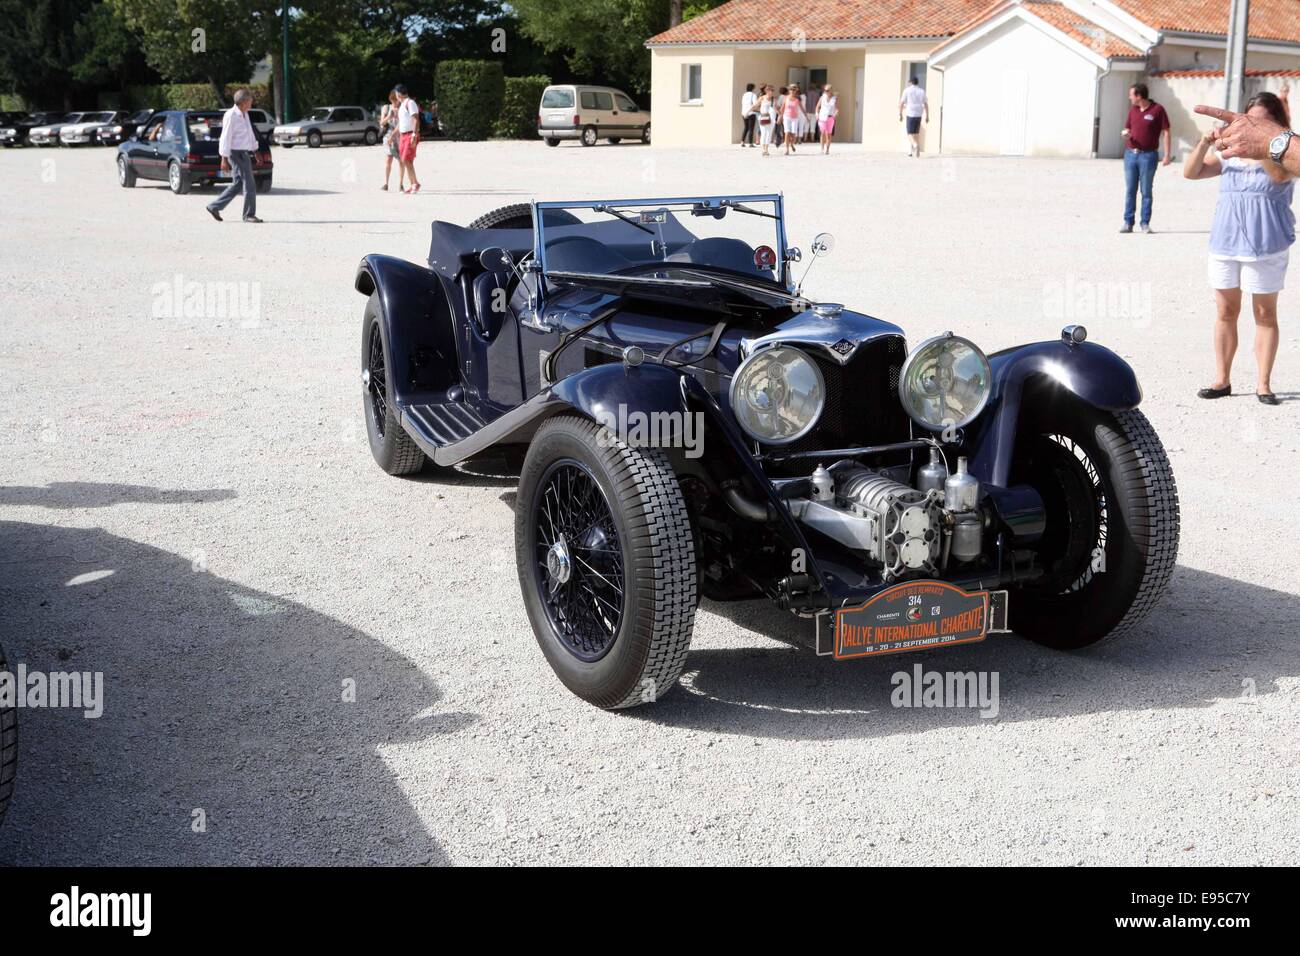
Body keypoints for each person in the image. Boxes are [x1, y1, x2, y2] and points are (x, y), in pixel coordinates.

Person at [1183, 91, 1294, 406]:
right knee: (1225, 311)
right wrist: (1205, 142)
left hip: (1266, 245)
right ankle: (1222, 379)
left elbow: (1277, 174)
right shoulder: (1228, 153)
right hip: (1225, 242)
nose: (1254, 125)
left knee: (1265, 314)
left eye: (1262, 120)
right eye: (1250, 119)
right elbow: (1191, 172)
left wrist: (1263, 142)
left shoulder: (1283, 156)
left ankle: (1263, 384)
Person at [1197, 87, 1298, 175]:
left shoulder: (1282, 158)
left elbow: (1281, 176)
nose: (1253, 129)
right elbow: (1192, 173)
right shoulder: (1233, 152)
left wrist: (1271, 144)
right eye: (1250, 121)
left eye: (1261, 122)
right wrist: (1203, 144)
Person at [1120, 82, 1171, 233]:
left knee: (1146, 190)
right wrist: (1125, 133)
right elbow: (1127, 128)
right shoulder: (1133, 111)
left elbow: (1166, 132)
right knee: (1130, 190)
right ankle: (1128, 223)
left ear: (1139, 96)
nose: (1129, 97)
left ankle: (1145, 223)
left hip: (1148, 156)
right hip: (1130, 154)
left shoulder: (1158, 110)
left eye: (1131, 95)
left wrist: (1167, 155)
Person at [206, 89, 262, 224]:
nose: (251, 103)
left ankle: (214, 206)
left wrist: (255, 150)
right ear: (243, 102)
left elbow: (249, 133)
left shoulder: (245, 114)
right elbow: (225, 137)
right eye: (250, 100)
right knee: (249, 183)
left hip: (244, 152)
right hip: (236, 153)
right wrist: (224, 158)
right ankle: (249, 214)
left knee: (238, 184)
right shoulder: (231, 115)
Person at [393, 84, 421, 195]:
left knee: (406, 160)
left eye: (396, 92)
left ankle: (415, 184)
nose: (395, 95)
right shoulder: (402, 104)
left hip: (410, 135)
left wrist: (414, 134)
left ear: (399, 93)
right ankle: (413, 184)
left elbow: (416, 119)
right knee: (406, 160)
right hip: (403, 136)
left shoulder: (410, 103)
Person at [379, 90, 404, 192]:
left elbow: (402, 124)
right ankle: (386, 183)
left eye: (396, 101)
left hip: (399, 136)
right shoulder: (386, 107)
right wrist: (389, 116)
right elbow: (382, 123)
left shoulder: (403, 108)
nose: (394, 103)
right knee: (388, 160)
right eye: (392, 101)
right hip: (388, 136)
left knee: (401, 161)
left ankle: (401, 184)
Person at [900, 76, 928, 157]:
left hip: (910, 114)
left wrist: (900, 113)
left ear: (911, 82)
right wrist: (927, 116)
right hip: (919, 114)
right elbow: (926, 104)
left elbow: (901, 103)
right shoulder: (922, 91)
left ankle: (915, 146)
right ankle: (913, 152)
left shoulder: (907, 90)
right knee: (915, 133)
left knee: (909, 134)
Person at [782, 83, 805, 155]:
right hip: (786, 117)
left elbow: (802, 108)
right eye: (791, 89)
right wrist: (779, 116)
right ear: (789, 90)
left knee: (793, 133)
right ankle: (786, 149)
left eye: (794, 90)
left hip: (794, 118)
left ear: (796, 91)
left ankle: (791, 144)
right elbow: (782, 108)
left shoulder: (797, 99)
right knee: (787, 132)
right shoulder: (786, 98)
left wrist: (806, 116)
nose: (792, 91)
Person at [816, 84, 838, 154]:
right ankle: (822, 149)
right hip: (822, 117)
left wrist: (835, 114)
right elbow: (817, 107)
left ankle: (827, 149)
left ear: (831, 90)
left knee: (829, 134)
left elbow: (836, 108)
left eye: (827, 90)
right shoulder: (822, 97)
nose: (826, 91)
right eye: (825, 90)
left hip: (830, 118)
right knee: (822, 133)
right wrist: (817, 114)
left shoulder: (834, 98)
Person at [757, 85, 775, 156]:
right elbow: (755, 105)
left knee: (769, 134)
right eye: (771, 90)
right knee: (763, 133)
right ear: (766, 91)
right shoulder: (762, 98)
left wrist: (780, 115)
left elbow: (776, 108)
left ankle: (766, 149)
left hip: (771, 118)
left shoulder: (773, 99)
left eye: (773, 90)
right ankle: (763, 149)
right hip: (763, 117)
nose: (772, 92)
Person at [740, 83, 757, 147]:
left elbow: (742, 103)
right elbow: (755, 104)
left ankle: (742, 141)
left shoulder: (744, 95)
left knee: (746, 127)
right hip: (751, 112)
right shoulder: (753, 95)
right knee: (751, 128)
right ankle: (750, 143)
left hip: (744, 112)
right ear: (752, 88)